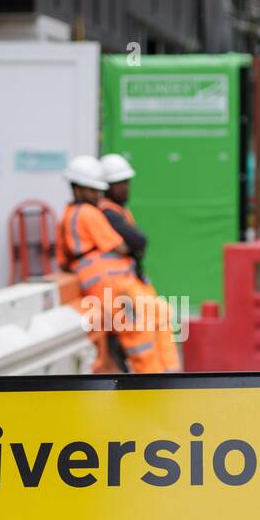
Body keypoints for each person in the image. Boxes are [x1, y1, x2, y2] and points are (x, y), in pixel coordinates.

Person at [56, 155, 169, 373]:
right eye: (93, 190)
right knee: (140, 330)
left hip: (107, 288)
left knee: (148, 322)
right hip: (113, 288)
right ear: (78, 188)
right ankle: (152, 382)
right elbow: (123, 247)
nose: (97, 195)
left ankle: (153, 378)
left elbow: (63, 260)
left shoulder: (69, 215)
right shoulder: (89, 214)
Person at [98, 153, 180, 372]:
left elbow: (138, 242)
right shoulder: (107, 212)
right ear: (106, 187)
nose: (125, 188)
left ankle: (168, 372)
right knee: (143, 327)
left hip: (129, 281)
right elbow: (138, 240)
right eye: (119, 184)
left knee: (161, 313)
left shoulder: (118, 211)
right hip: (117, 287)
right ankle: (150, 378)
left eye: (126, 183)